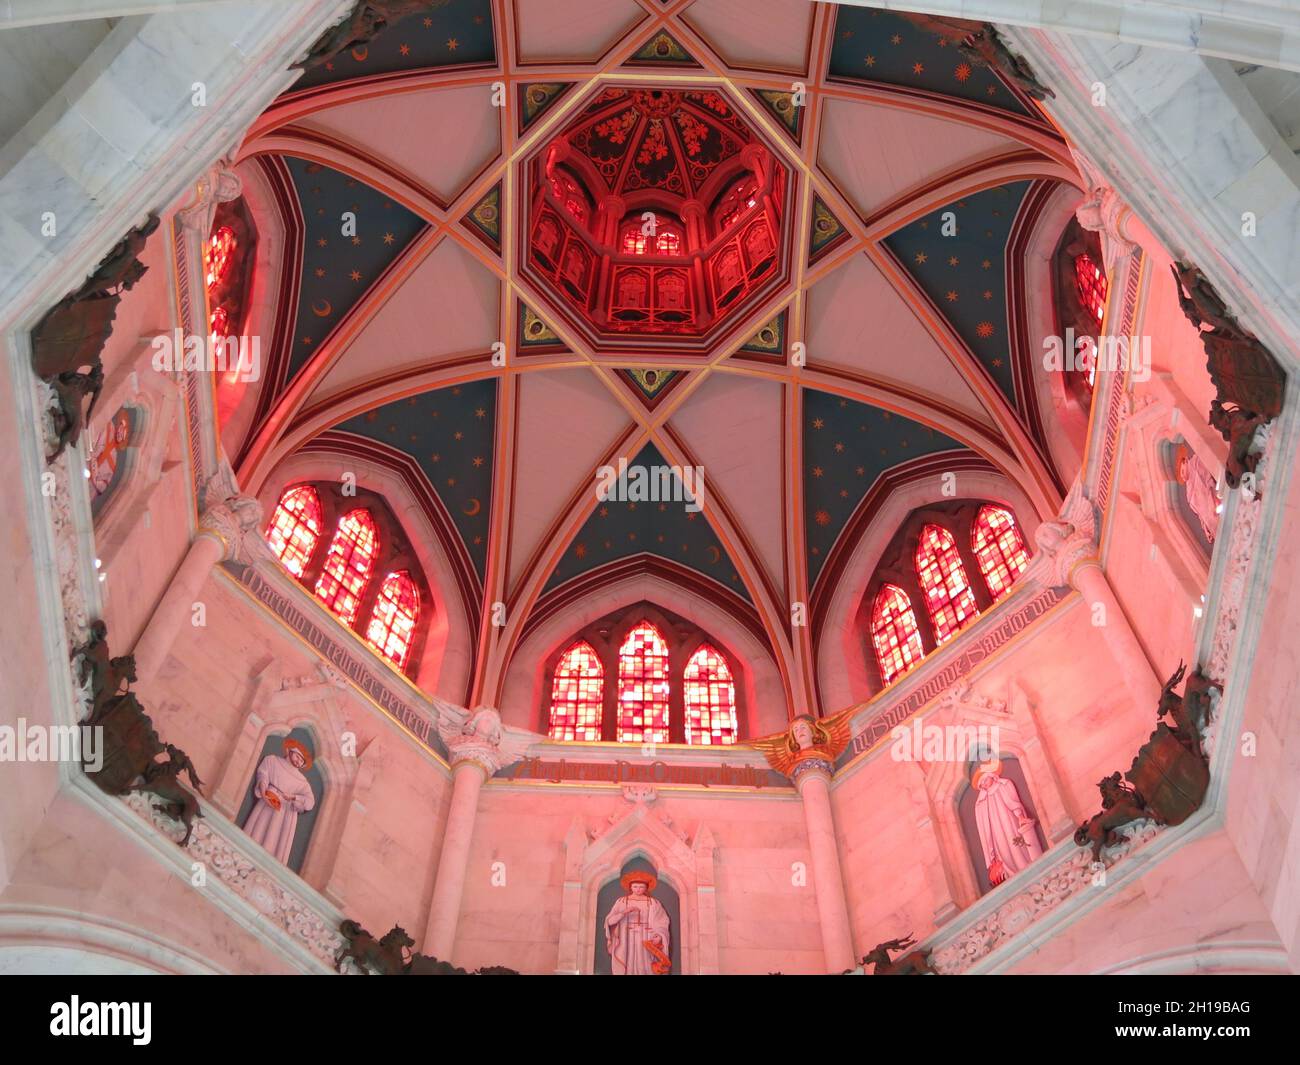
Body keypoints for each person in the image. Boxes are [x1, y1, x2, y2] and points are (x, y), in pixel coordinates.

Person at [241, 737, 316, 865]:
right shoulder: (272, 760)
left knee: (275, 842)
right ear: (290, 752)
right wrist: (264, 791)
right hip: (268, 801)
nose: (298, 761)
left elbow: (310, 802)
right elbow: (263, 774)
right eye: (297, 757)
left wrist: (293, 797)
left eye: (301, 761)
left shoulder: (303, 782)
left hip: (285, 812)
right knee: (258, 830)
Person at [971, 757, 1043, 887]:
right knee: (1004, 849)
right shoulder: (981, 803)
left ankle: (1026, 866)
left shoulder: (1004, 785)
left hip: (1010, 823)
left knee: (1016, 843)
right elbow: (984, 829)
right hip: (997, 832)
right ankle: (1013, 875)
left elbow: (1013, 803)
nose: (985, 784)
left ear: (991, 776)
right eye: (982, 784)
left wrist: (1020, 816)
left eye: (985, 780)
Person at [604, 871, 671, 975]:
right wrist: (624, 912)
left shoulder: (653, 902)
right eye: (635, 886)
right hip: (626, 938)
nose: (638, 889)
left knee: (646, 962)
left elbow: (662, 922)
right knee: (628, 960)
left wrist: (659, 935)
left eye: (641, 887)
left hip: (646, 937)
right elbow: (609, 921)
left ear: (646, 888)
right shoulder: (622, 901)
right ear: (630, 887)